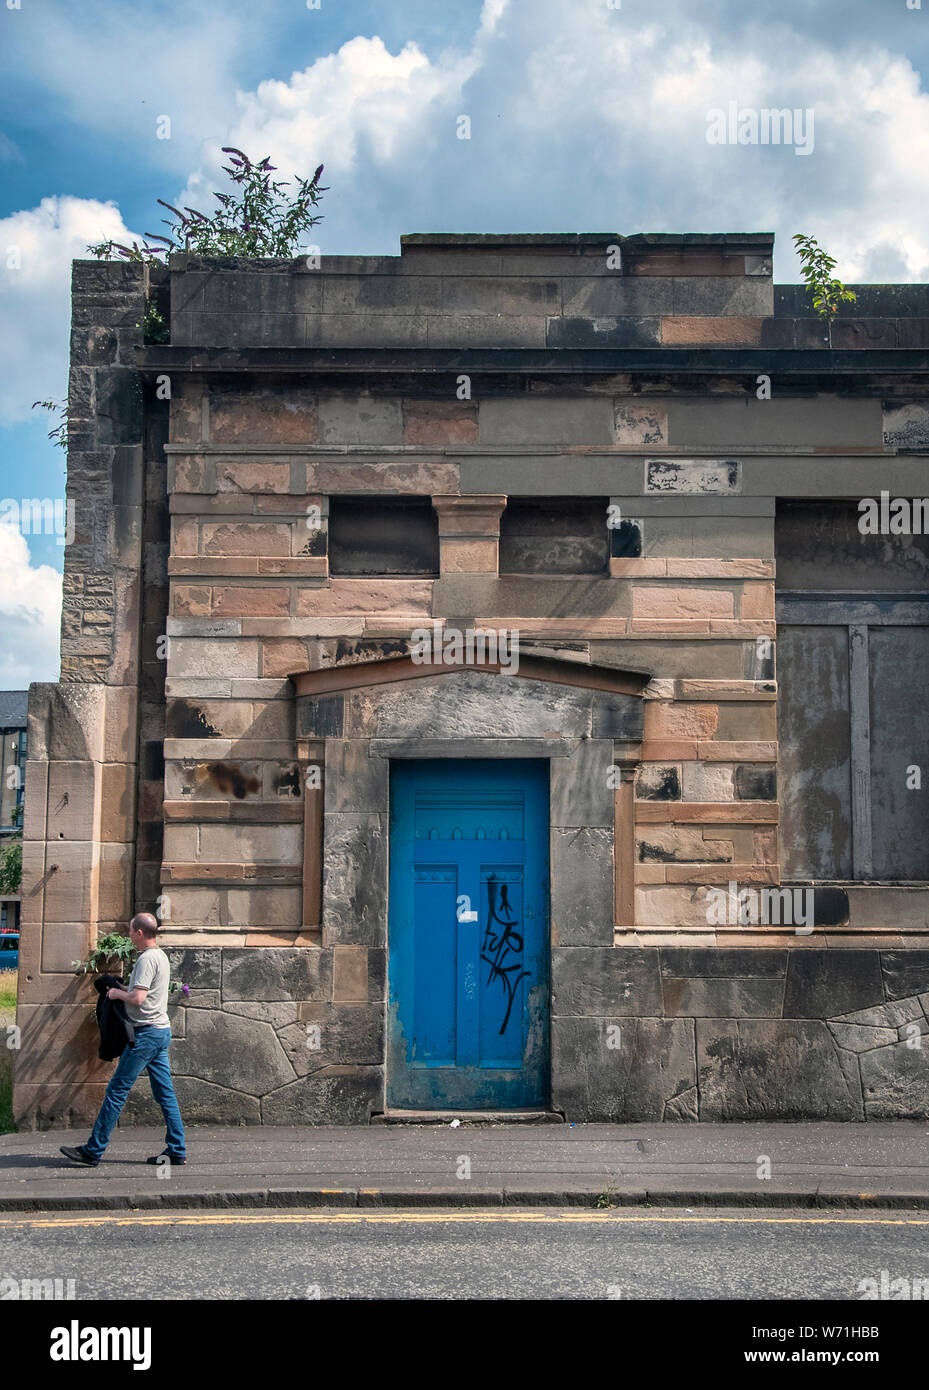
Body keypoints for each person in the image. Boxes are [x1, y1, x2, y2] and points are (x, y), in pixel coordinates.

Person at [60, 913, 187, 1167]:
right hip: (160, 1031)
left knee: (117, 1090)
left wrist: (117, 992)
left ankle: (93, 1151)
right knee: (165, 1093)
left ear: (140, 933)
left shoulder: (146, 959)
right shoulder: (160, 956)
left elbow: (139, 998)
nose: (129, 935)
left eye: (130, 931)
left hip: (146, 1035)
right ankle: (177, 1149)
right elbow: (145, 994)